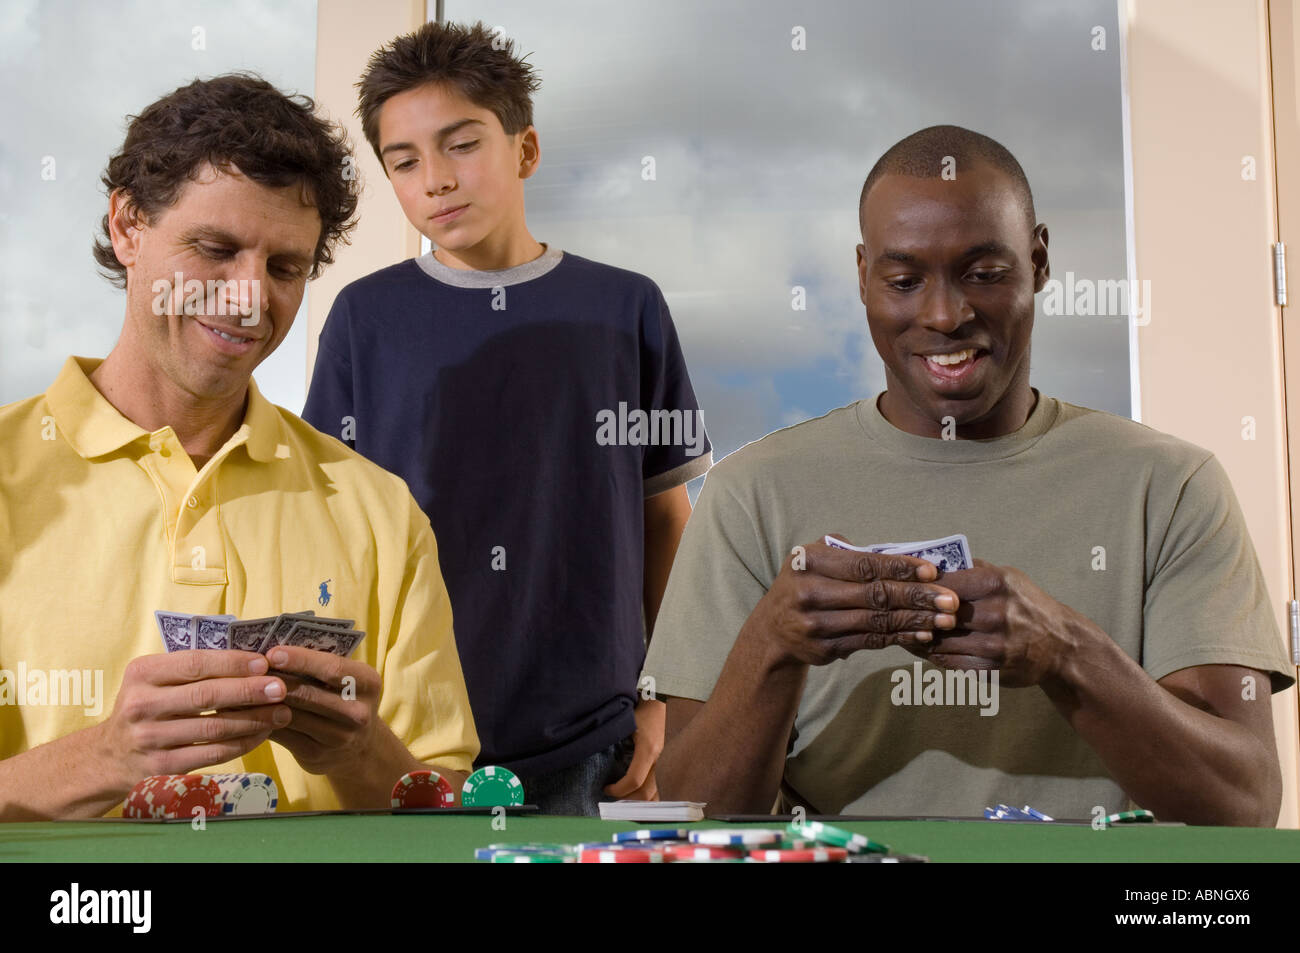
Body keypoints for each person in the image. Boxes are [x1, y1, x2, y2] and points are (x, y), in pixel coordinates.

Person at [646, 125, 1293, 826]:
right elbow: (690, 818)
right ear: (863, 276)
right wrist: (771, 646)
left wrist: (1066, 654)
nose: (945, 314)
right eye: (903, 280)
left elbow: (1243, 804)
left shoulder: (1170, 486)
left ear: (1039, 261)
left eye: (984, 274)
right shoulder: (751, 493)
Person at [0, 74, 478, 821]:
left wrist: (359, 752)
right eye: (215, 249)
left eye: (285, 268)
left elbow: (442, 816)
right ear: (127, 227)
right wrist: (106, 757)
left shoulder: (381, 511)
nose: (250, 296)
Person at [302, 21, 712, 814]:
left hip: (597, 741)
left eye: (461, 145)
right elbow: (333, 536)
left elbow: (666, 518)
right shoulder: (364, 320)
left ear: (524, 151)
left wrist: (668, 698)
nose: (436, 180)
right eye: (405, 161)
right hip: (407, 742)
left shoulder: (625, 308)